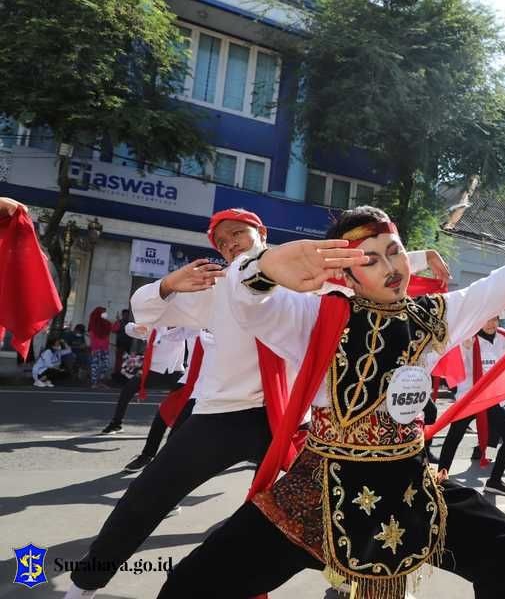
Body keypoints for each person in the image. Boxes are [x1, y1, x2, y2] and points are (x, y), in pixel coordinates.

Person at [154, 206, 505, 599]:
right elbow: (250, 303)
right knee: (191, 585)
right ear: (346, 273)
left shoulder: (431, 317)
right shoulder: (315, 317)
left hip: (410, 487)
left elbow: (494, 289)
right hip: (319, 491)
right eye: (372, 259)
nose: (390, 267)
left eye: (394, 252)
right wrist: (264, 266)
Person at [63, 207, 445, 599]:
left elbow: (360, 260)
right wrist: (169, 283)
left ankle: (355, 579)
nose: (229, 244)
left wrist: (418, 257)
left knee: (343, 492)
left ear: (261, 232)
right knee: (147, 498)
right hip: (222, 417)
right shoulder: (219, 285)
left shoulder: (308, 273)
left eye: (237, 234)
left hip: (292, 417)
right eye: (221, 241)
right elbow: (147, 311)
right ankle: (85, 583)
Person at [437, 316, 505, 497]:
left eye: (495, 320)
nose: (491, 324)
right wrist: (464, 345)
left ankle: (494, 480)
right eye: (486, 320)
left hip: (490, 399)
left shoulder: (503, 339)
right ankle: (439, 478)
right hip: (469, 398)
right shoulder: (469, 339)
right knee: (454, 437)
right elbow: (452, 352)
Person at [123, 329, 209, 473]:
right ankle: (147, 455)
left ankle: (165, 467)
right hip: (188, 381)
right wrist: (148, 329)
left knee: (181, 430)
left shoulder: (225, 326)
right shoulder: (194, 323)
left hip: (209, 386)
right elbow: (174, 334)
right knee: (162, 415)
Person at [100, 324, 189, 434]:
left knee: (190, 398)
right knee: (127, 390)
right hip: (153, 371)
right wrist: (135, 328)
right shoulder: (155, 327)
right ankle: (116, 423)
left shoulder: (185, 328)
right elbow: (128, 329)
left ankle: (186, 428)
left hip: (175, 372)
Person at [87, 307, 112, 389]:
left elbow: (114, 328)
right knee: (95, 365)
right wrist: (94, 349)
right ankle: (94, 383)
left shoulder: (107, 324)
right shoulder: (93, 324)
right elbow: (92, 337)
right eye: (104, 312)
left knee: (105, 365)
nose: (105, 314)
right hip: (96, 348)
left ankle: (100, 382)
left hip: (105, 348)